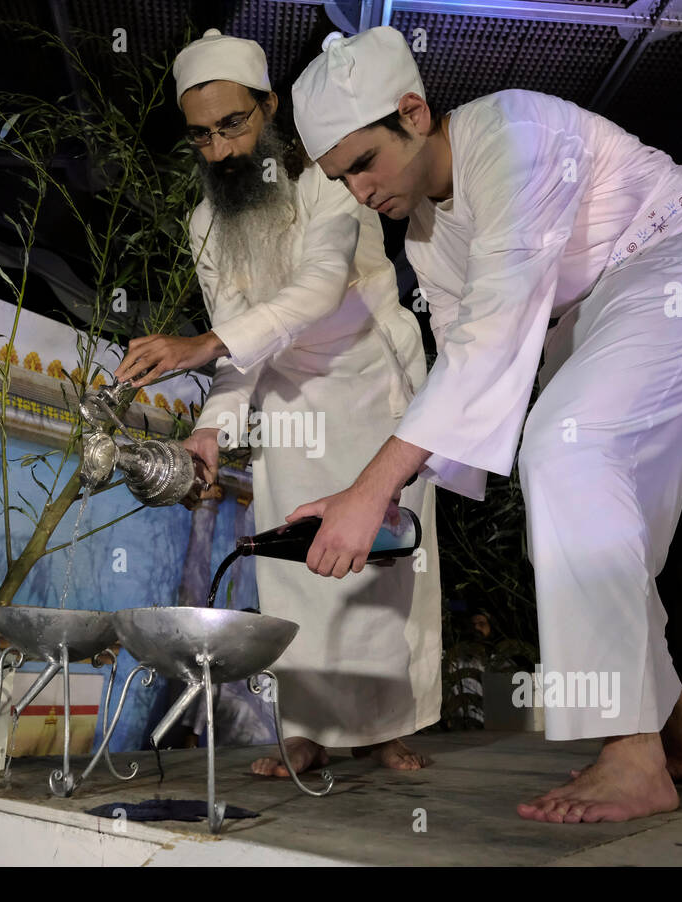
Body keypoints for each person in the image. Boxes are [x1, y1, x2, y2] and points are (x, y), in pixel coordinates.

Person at [287, 27, 682, 822]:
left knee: (566, 450)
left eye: (365, 162)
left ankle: (630, 754)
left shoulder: (512, 131)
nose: (361, 193)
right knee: (595, 524)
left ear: (413, 111)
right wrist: (374, 496)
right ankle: (681, 736)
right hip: (597, 314)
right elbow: (459, 370)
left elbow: (495, 332)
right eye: (343, 180)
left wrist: (371, 490)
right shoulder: (427, 239)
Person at [113, 29, 442, 774]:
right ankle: (308, 729)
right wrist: (208, 434)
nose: (221, 149)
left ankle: (391, 725)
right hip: (289, 407)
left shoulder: (329, 178)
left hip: (371, 389)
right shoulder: (206, 222)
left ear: (268, 108)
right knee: (295, 568)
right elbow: (242, 351)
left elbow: (318, 289)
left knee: (385, 563)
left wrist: (202, 343)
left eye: (234, 124)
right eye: (202, 136)